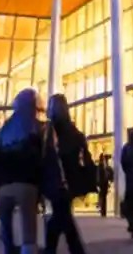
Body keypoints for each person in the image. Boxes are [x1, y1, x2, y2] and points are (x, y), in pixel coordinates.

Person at [0, 88, 46, 254]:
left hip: (3, 186)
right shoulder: (38, 127)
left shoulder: (5, 129)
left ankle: (9, 250)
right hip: (26, 183)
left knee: (5, 227)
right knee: (28, 228)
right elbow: (44, 157)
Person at [42, 94, 89, 254]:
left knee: (61, 218)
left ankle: (53, 249)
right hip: (70, 181)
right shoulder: (74, 131)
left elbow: (48, 156)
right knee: (62, 216)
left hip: (57, 180)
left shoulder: (51, 132)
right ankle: (54, 249)